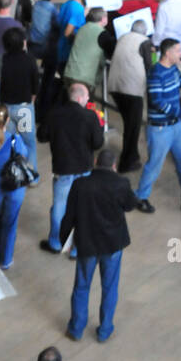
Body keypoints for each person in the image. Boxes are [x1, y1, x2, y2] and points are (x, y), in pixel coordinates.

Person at [60, 146, 136, 342]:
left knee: (82, 286)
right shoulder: (121, 183)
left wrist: (64, 241)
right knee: (109, 287)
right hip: (112, 245)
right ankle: (104, 330)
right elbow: (130, 205)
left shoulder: (80, 184)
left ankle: (76, 329)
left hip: (87, 244)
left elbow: (68, 216)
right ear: (114, 165)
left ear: (95, 163)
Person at [134, 38, 181, 215]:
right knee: (154, 164)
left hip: (175, 126)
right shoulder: (156, 73)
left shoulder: (174, 69)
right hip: (160, 128)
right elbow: (157, 101)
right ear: (167, 53)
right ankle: (141, 197)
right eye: (177, 51)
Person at [38, 82, 105, 254]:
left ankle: (56, 243)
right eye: (87, 96)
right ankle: (77, 248)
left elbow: (41, 136)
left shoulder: (55, 114)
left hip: (62, 169)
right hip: (84, 169)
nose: (89, 99)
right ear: (80, 97)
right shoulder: (90, 116)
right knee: (82, 207)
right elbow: (98, 143)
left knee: (59, 208)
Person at [0, 103, 30, 271]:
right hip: (13, 189)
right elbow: (24, 155)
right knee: (9, 224)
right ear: (8, 120)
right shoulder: (14, 139)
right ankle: (6, 259)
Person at [0, 26, 40, 167]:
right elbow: (36, 83)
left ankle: (9, 172)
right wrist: (32, 100)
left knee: (6, 141)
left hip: (4, 108)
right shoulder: (29, 60)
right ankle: (31, 175)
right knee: (29, 143)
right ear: (23, 42)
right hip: (24, 108)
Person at [107, 18, 149, 173]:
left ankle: (133, 155)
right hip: (132, 90)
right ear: (145, 32)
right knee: (133, 127)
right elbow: (149, 65)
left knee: (129, 123)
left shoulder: (122, 38)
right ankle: (127, 162)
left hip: (114, 86)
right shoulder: (145, 42)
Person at [64, 7, 111, 94]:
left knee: (70, 100)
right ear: (103, 19)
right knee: (87, 103)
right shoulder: (103, 34)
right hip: (85, 78)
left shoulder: (82, 28)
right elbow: (111, 52)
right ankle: (90, 107)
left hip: (70, 73)